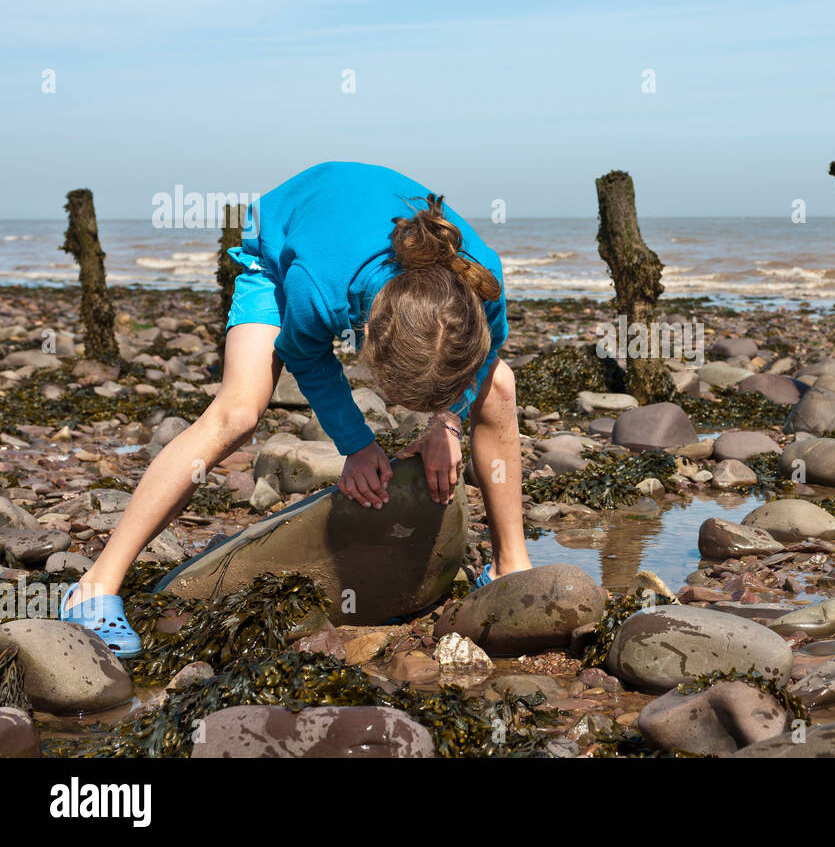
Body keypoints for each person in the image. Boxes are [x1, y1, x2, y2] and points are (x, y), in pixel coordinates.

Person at [59, 161, 533, 656]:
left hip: (349, 226)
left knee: (499, 386)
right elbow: (307, 356)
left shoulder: (481, 280)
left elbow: (488, 355)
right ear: (365, 337)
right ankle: (95, 585)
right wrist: (355, 443)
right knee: (238, 412)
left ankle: (510, 564)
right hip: (281, 239)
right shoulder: (316, 288)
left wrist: (446, 422)